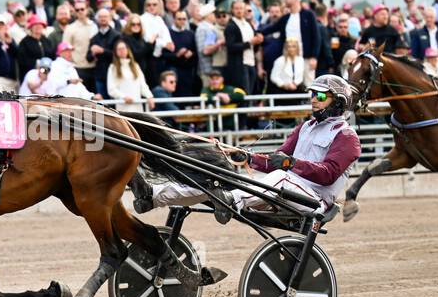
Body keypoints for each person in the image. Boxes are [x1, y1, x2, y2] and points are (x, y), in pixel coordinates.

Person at [136, 75, 361, 218]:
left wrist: (291, 163)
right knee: (217, 179)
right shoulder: (305, 127)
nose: (313, 99)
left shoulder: (347, 137)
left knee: (282, 177)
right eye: (312, 94)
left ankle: (231, 200)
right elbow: (277, 159)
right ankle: (154, 195)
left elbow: (329, 174)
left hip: (313, 200)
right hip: (283, 191)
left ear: (338, 101)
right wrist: (246, 157)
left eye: (320, 95)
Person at [106, 40, 152, 114]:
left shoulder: (135, 66)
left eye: (123, 48)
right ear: (116, 52)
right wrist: (123, 97)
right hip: (123, 106)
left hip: (137, 106)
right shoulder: (112, 68)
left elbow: (143, 85)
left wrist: (149, 96)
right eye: (119, 49)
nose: (122, 51)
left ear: (127, 50)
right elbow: (111, 89)